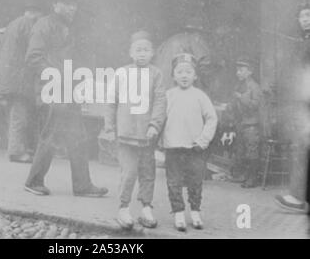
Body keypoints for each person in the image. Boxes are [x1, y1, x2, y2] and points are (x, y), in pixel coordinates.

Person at [23, 0, 108, 197]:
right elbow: (33, 57)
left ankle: (82, 186)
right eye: (67, 4)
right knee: (51, 136)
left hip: (67, 90)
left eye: (74, 4)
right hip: (52, 90)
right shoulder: (44, 25)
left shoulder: (67, 27)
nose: (73, 8)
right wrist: (56, 77)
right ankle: (34, 182)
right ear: (55, 4)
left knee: (77, 136)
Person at [104, 31, 166, 230]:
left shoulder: (156, 74)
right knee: (129, 172)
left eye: (146, 50)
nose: (142, 54)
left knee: (148, 172)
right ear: (131, 52)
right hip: (126, 133)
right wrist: (110, 126)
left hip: (147, 135)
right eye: (138, 50)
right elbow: (111, 101)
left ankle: (146, 207)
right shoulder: (121, 73)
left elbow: (160, 101)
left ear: (152, 53)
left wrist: (154, 125)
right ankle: (123, 207)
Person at [160, 53, 217, 232]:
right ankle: (178, 212)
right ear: (173, 75)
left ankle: (195, 211)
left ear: (195, 75)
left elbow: (212, 118)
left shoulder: (200, 96)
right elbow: (160, 119)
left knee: (195, 180)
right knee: (174, 181)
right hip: (173, 147)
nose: (184, 75)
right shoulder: (167, 96)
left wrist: (203, 140)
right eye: (180, 71)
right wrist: (160, 142)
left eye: (188, 71)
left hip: (195, 148)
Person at [0, 1, 44, 163]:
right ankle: (16, 151)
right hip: (17, 77)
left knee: (16, 114)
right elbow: (32, 48)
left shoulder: (14, 23)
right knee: (19, 115)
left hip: (8, 75)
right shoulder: (27, 25)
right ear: (35, 12)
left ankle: (19, 148)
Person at [275, 5, 310, 213]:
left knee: (300, 145)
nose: (305, 19)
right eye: (302, 16)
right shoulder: (303, 42)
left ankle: (298, 197)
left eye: (309, 15)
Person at [230, 57, 263, 188]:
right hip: (242, 124)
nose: (238, 73)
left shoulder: (255, 87)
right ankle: (245, 177)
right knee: (242, 152)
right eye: (237, 70)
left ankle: (252, 180)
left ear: (249, 72)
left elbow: (255, 105)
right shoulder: (239, 85)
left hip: (252, 125)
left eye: (241, 70)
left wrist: (240, 97)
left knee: (252, 153)